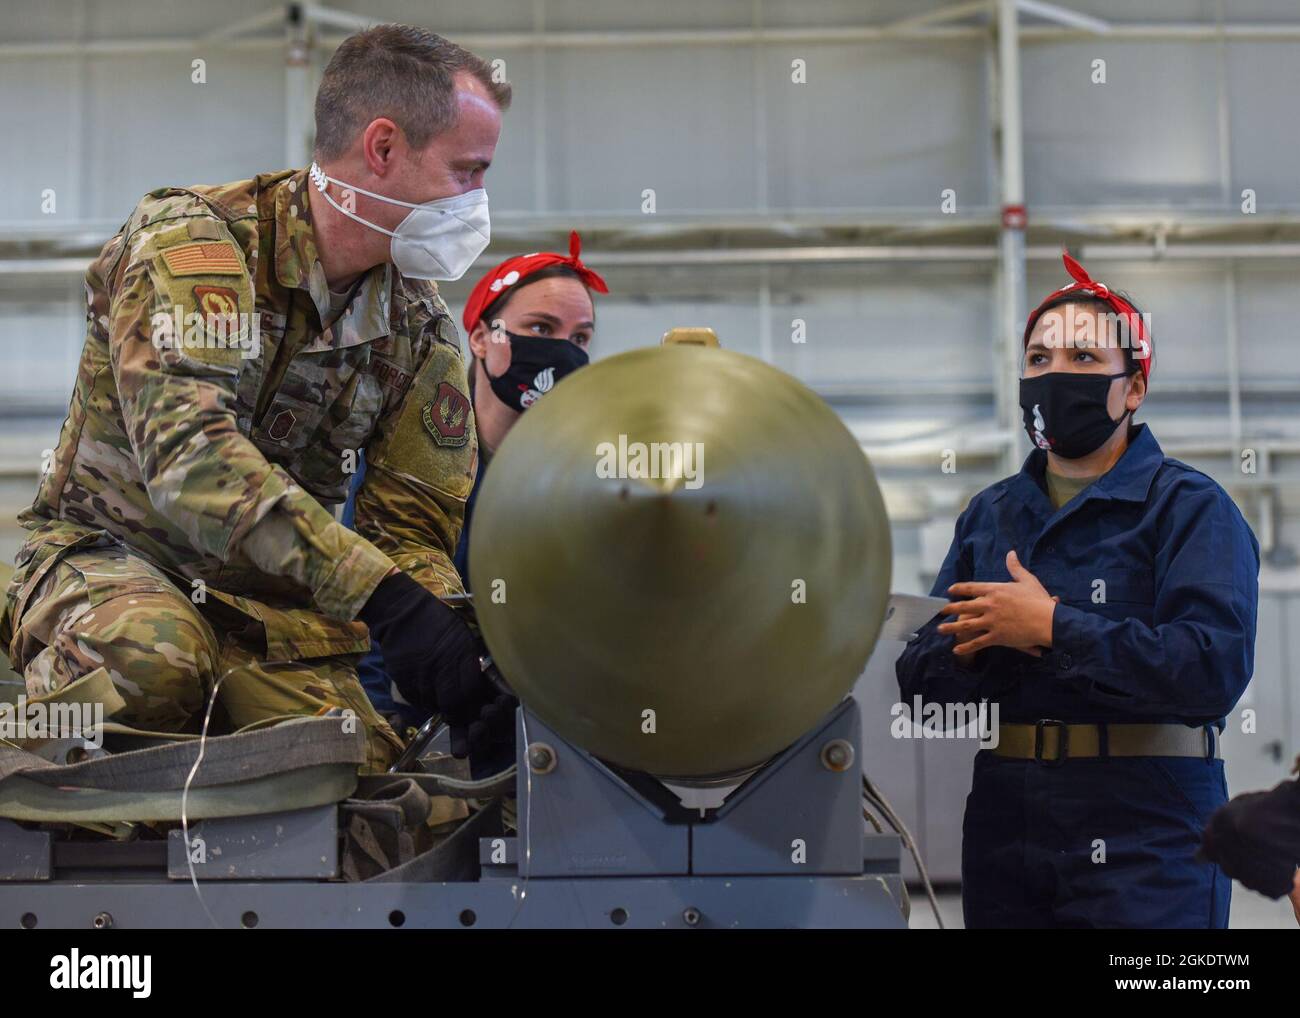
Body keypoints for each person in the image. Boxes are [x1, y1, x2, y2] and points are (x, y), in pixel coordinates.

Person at [0, 25, 512, 773]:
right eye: (467, 171)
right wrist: (383, 599)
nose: (477, 199)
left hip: (266, 609)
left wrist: (454, 647)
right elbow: (194, 465)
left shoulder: (420, 327)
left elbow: (411, 529)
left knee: (360, 774)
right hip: (114, 564)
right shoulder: (199, 246)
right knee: (151, 663)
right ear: (383, 148)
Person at [896, 252, 1259, 928]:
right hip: (1008, 822)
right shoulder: (991, 514)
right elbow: (920, 690)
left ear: (1135, 387)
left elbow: (1211, 670)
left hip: (1149, 829)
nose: (1055, 375)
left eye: (1085, 360)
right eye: (1038, 359)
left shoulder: (1190, 509)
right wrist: (970, 651)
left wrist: (1053, 627)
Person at [342, 232, 607, 737]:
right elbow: (367, 602)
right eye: (540, 327)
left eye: (579, 339)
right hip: (423, 722)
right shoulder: (411, 459)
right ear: (482, 337)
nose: (561, 352)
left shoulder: (592, 474)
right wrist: (380, 725)